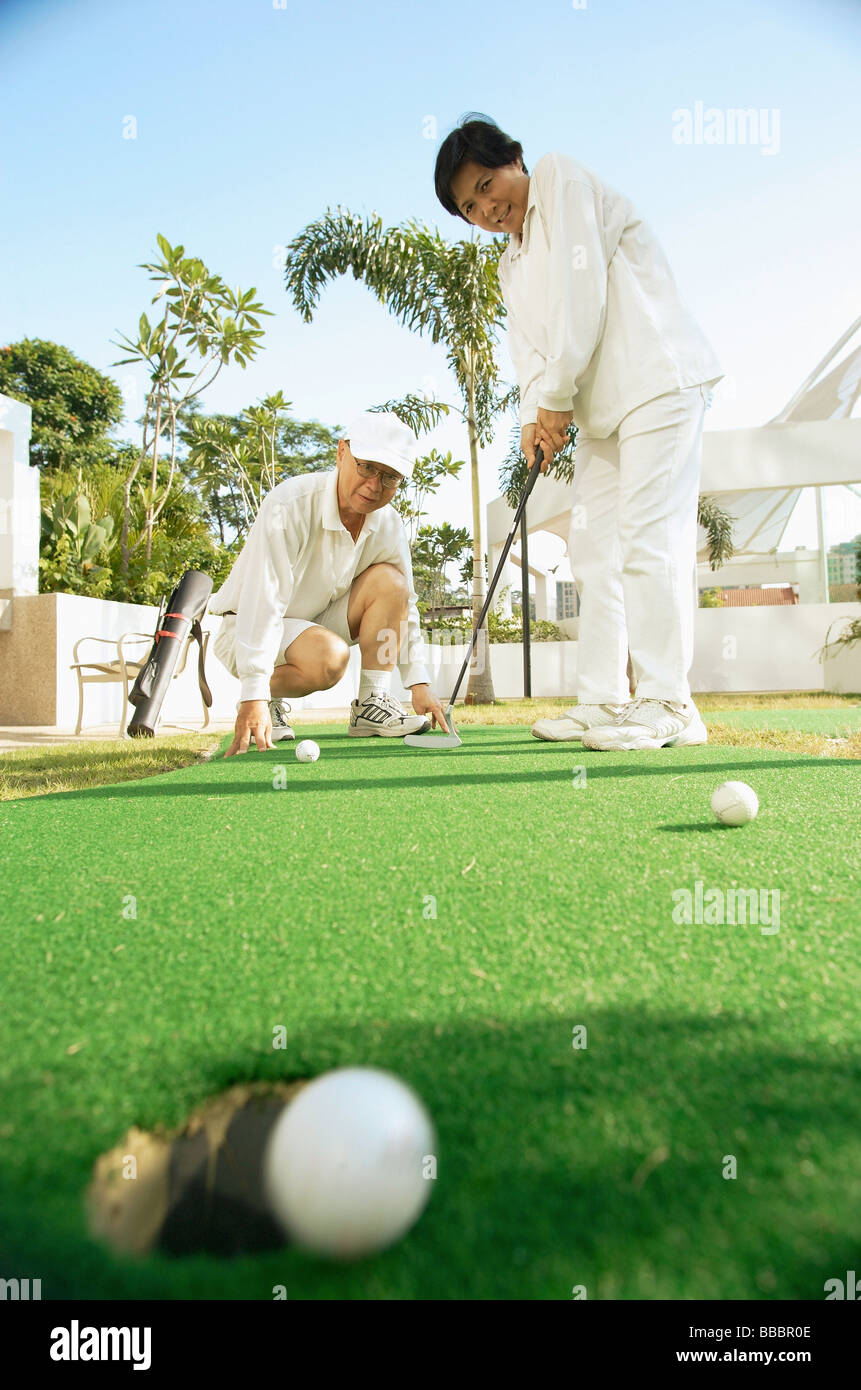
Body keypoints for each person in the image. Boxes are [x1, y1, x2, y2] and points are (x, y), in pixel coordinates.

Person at [434, 115, 724, 751]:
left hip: (657, 381)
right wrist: (534, 419)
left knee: (649, 539)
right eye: (469, 206)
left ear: (514, 158)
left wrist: (556, 398)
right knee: (594, 554)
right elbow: (530, 355)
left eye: (487, 184)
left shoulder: (561, 178)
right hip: (599, 412)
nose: (486, 207)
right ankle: (602, 700)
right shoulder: (511, 262)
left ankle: (670, 701)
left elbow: (581, 294)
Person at [210, 411, 450, 756]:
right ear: (341, 453)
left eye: (390, 477)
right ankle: (266, 696)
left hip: (318, 622)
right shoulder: (289, 504)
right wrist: (253, 693)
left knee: (392, 583)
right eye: (366, 466)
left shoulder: (389, 524)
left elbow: (404, 604)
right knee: (330, 658)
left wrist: (419, 682)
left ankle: (372, 702)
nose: (374, 485)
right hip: (245, 627)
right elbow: (265, 598)